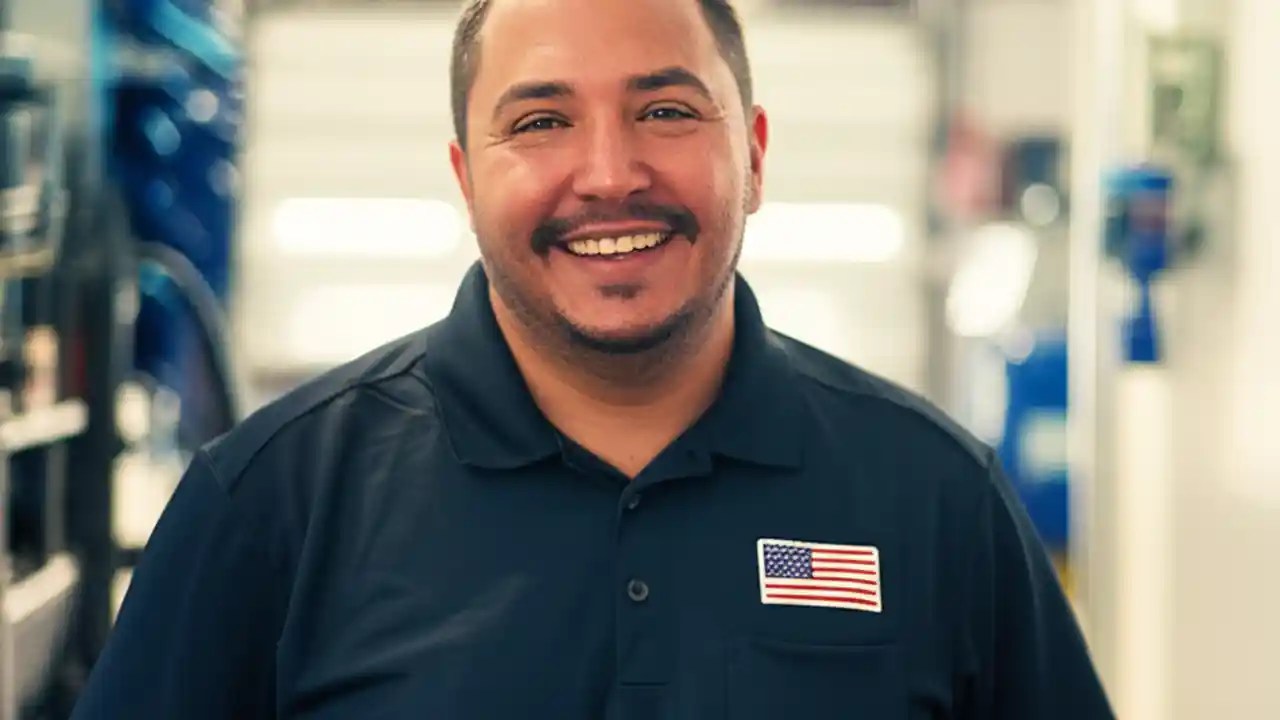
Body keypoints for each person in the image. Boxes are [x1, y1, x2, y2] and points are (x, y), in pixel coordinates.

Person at [71, 0, 1115, 717]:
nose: (610, 174)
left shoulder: (934, 496)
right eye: (541, 121)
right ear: (466, 178)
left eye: (665, 111)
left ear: (752, 155)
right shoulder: (272, 504)